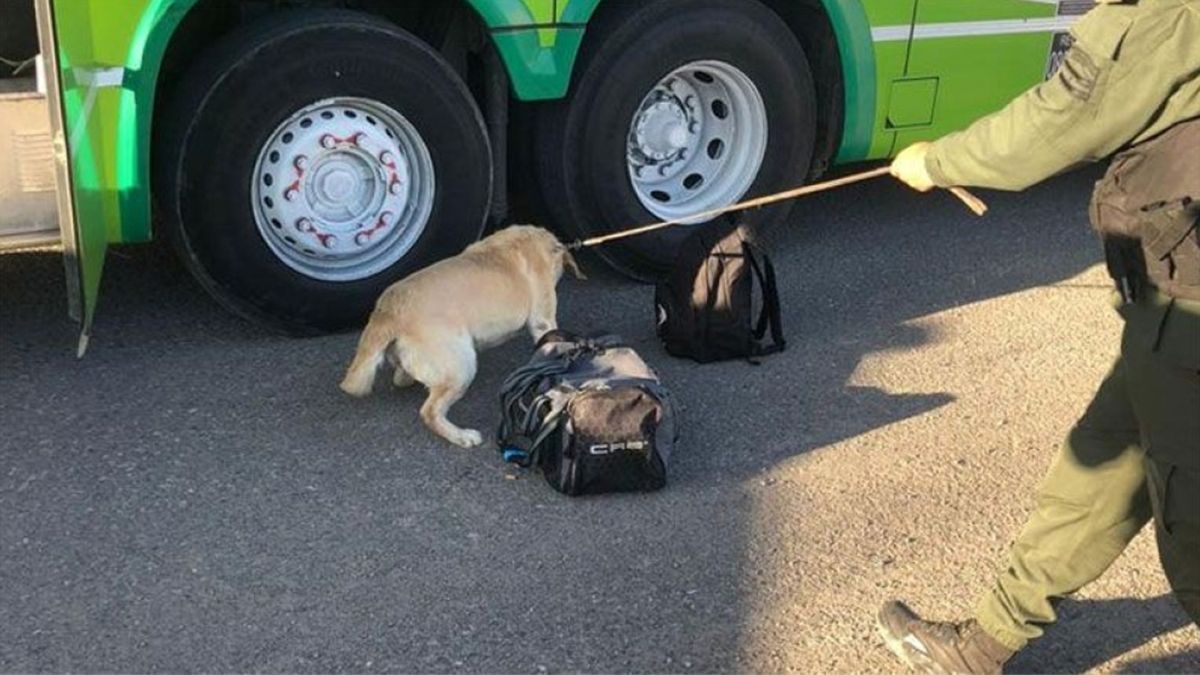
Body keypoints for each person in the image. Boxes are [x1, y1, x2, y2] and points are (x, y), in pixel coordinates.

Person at [878, 0, 1200, 672]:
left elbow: (1057, 122)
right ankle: (986, 643)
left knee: (1191, 528)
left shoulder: (1166, 13)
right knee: (1103, 458)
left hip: (1189, 310)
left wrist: (938, 160)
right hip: (1168, 304)